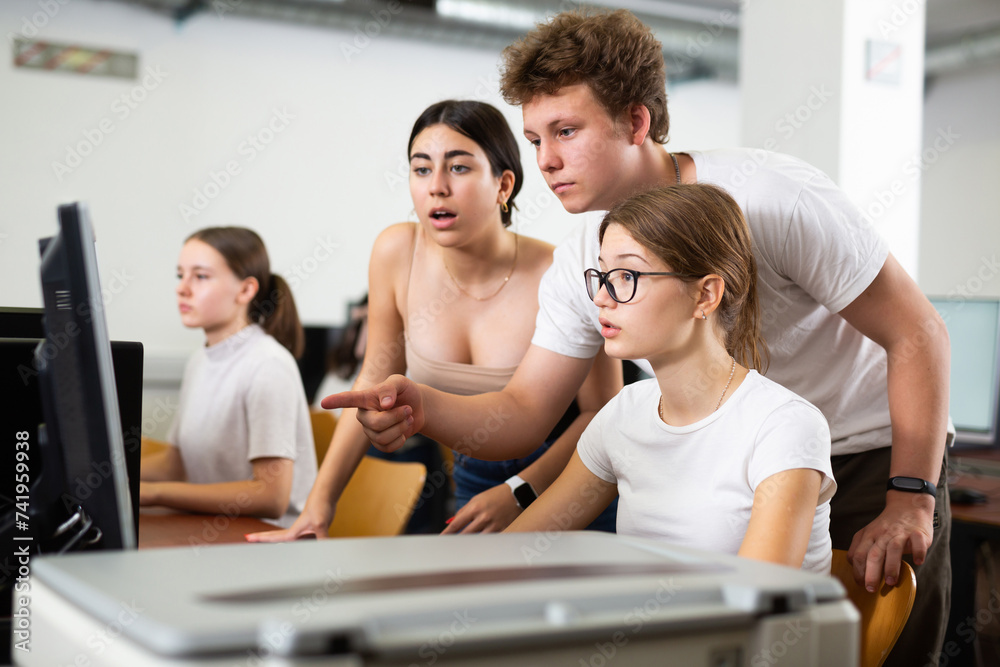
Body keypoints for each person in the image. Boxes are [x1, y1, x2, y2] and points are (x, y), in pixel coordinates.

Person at [327, 10, 951, 665]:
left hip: (877, 444)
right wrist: (425, 406)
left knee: (863, 645)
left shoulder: (773, 198)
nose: (546, 160)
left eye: (566, 131)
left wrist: (911, 495)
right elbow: (523, 409)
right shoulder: (584, 260)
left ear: (637, 120)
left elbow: (917, 331)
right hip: (717, 444)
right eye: (534, 137)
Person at [248, 100, 620, 542]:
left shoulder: (559, 270)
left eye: (459, 169)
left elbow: (602, 412)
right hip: (476, 478)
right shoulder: (396, 253)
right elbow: (373, 379)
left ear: (503, 185)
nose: (437, 188)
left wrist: (520, 491)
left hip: (572, 479)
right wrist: (318, 508)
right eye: (421, 169)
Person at [506, 184, 836, 573]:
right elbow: (517, 551)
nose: (602, 297)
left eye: (626, 275)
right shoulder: (623, 415)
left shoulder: (784, 425)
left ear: (704, 296)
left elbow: (754, 602)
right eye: (603, 274)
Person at [140, 227, 318, 528]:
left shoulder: (268, 365)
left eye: (200, 276)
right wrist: (106, 475)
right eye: (180, 275)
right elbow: (175, 464)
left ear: (246, 291)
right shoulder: (200, 360)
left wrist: (155, 494)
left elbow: (271, 496)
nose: (182, 288)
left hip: (271, 540)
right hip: (218, 528)